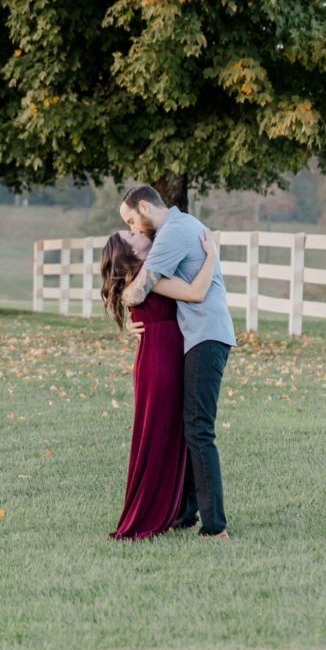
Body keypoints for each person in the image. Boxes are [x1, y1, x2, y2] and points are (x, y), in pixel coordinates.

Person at [119, 184, 235, 540]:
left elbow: (138, 289)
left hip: (205, 336)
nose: (134, 230)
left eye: (131, 222)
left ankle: (215, 528)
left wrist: (129, 296)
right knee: (190, 426)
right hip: (201, 335)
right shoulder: (183, 225)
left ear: (144, 206)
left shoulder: (171, 233)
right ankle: (186, 512)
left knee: (199, 428)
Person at [101, 226, 219, 540]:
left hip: (160, 353)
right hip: (161, 361)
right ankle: (151, 511)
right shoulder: (146, 275)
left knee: (170, 435)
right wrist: (212, 257)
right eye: (129, 235)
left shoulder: (146, 273)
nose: (135, 231)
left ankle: (177, 508)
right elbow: (196, 292)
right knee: (158, 437)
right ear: (131, 253)